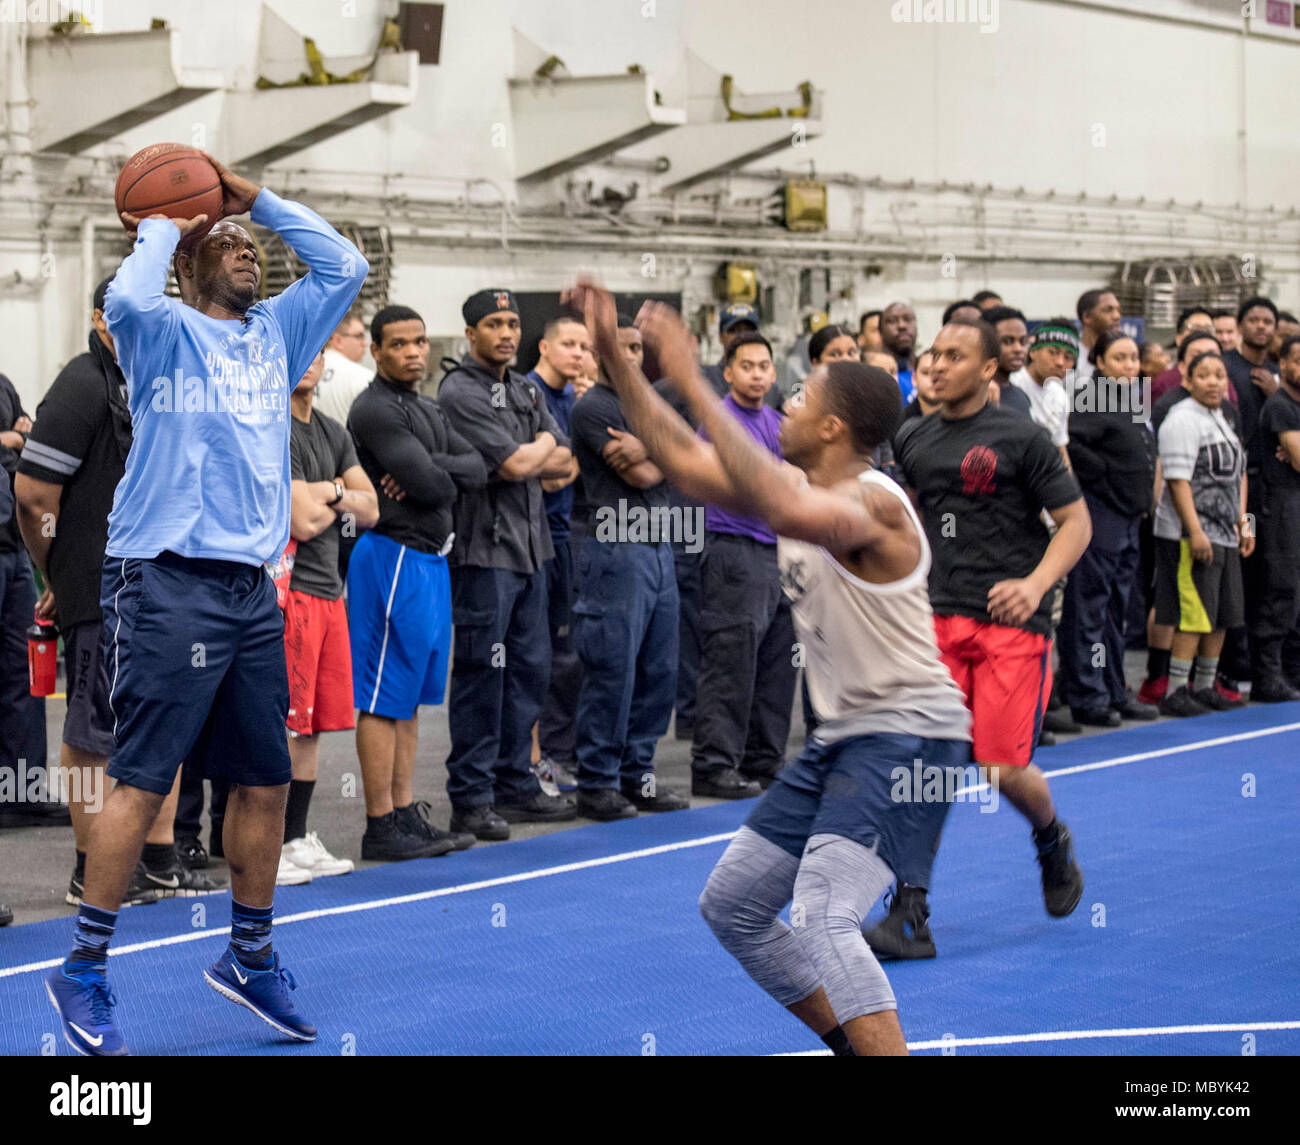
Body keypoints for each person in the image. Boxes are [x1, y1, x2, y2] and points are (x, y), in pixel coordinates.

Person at [566, 278, 972, 1057]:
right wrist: (625, 362)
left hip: (911, 737)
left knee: (823, 913)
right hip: (846, 740)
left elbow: (786, 513)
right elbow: (684, 459)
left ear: (830, 426)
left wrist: (691, 376)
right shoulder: (796, 481)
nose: (780, 407)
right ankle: (852, 1044)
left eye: (796, 400)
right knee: (734, 906)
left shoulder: (874, 501)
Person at [45, 155, 368, 1056]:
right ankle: (81, 968)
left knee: (263, 776)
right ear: (187, 261)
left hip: (250, 587)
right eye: (224, 244)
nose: (247, 253)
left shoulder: (279, 335)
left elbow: (343, 266)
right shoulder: (157, 328)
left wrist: (251, 199)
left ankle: (250, 955)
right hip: (164, 580)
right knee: (142, 776)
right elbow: (130, 297)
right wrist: (167, 221)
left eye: (251, 245)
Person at [882, 317, 1090, 957]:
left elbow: (1076, 523)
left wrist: (1034, 584)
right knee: (929, 767)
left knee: (1001, 769)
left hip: (1010, 625)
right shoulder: (912, 436)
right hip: (939, 620)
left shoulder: (1023, 437)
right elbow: (912, 518)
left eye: (954, 355)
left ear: (989, 369)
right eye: (933, 354)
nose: (937, 365)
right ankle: (909, 910)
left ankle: (1051, 838)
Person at [15, 275, 225, 904]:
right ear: (105, 320)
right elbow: (32, 495)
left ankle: (156, 862)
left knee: (166, 722)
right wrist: (62, 574)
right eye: (139, 310)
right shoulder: (83, 382)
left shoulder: (169, 382)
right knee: (92, 733)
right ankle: (90, 869)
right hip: (103, 590)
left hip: (171, 585)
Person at [346, 304, 485, 858]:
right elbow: (433, 486)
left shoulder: (425, 407)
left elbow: (475, 469)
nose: (413, 352)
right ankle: (380, 825)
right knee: (383, 698)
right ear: (376, 351)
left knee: (410, 698)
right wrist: (432, 471)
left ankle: (404, 813)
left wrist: (431, 467)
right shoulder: (375, 409)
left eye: (419, 342)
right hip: (391, 557)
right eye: (398, 344)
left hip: (430, 561)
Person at [438, 290, 577, 841]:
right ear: (471, 334)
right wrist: (538, 446)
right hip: (484, 553)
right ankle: (471, 798)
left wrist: (531, 454)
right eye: (493, 324)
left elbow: (563, 465)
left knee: (530, 670)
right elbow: (525, 463)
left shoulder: (522, 387)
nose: (506, 333)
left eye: (513, 323)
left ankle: (514, 782)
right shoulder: (459, 390)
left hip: (532, 549)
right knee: (481, 674)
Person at [567, 315, 689, 820]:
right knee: (612, 668)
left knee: (659, 670)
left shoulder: (649, 405)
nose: (633, 357)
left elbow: (684, 457)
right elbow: (643, 473)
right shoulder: (593, 407)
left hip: (660, 546)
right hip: (616, 547)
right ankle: (597, 782)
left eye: (639, 349)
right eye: (622, 349)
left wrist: (661, 446)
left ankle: (638, 776)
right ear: (599, 356)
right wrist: (668, 447)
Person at [280, 350, 379, 880]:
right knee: (280, 724)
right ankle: (265, 842)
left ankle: (294, 837)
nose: (310, 361)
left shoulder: (332, 430)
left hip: (326, 591)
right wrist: (342, 495)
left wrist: (333, 494)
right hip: (285, 591)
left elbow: (372, 507)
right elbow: (298, 518)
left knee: (310, 727)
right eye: (300, 348)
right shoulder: (271, 423)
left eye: (319, 350)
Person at [689, 332, 799, 799]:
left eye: (763, 366)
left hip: (781, 553)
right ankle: (714, 765)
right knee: (731, 662)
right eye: (746, 366)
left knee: (778, 665)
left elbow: (798, 480)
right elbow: (756, 482)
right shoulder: (718, 421)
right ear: (728, 372)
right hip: (735, 551)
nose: (756, 374)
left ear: (773, 373)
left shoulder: (779, 423)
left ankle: (764, 760)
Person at [1057, 331, 1159, 725]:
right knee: (1090, 607)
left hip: (1129, 519)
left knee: (1118, 609)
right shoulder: (1089, 397)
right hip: (1100, 515)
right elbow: (1071, 448)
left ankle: (1115, 688)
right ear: (1099, 362)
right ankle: (1087, 694)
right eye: (1119, 358)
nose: (1129, 366)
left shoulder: (1132, 399)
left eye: (1134, 358)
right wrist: (1109, 479)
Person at [1139, 331, 1243, 710]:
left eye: (1220, 375)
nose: (1214, 382)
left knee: (1222, 614)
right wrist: (1195, 530)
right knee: (1192, 612)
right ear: (1188, 379)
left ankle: (1204, 685)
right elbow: (1177, 480)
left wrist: (1241, 523)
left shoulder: (1223, 417)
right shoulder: (1181, 419)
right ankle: (1175, 689)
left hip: (1225, 531)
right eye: (1204, 375)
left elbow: (1238, 476)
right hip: (1189, 534)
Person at [530, 315, 587, 792]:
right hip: (533, 539)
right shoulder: (529, 393)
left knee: (569, 654)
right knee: (537, 654)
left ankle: (561, 752)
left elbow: (563, 466)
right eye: (568, 343)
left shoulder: (576, 399)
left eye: (584, 346)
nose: (578, 353)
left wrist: (565, 460)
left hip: (568, 537)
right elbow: (547, 472)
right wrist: (567, 460)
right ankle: (537, 758)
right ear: (545, 347)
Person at [0, 368, 56, 831]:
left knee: (25, 671)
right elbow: (18, 441)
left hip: (12, 547)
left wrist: (17, 439)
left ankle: (23, 791)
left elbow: (28, 436)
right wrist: (11, 441)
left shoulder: (3, 383)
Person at [1250, 335, 1300, 701]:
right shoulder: (1280, 406)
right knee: (1279, 588)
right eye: (1296, 360)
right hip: (1279, 506)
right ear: (1281, 364)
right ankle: (1267, 676)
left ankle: (1293, 671)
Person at [1011, 318, 1078, 467]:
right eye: (1053, 352)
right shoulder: (1012, 383)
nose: (1060, 362)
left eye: (1068, 357)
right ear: (1033, 352)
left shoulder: (1060, 396)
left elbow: (1060, 448)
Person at [702, 303, 783, 411]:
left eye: (749, 330)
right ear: (721, 336)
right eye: (735, 330)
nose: (742, 335)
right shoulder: (706, 381)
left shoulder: (769, 389)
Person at [316, 308, 373, 427]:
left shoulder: (303, 374)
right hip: (346, 444)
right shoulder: (363, 377)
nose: (365, 343)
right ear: (337, 340)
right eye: (359, 336)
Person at [1151, 308, 1222, 402]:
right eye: (1195, 329)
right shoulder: (1160, 383)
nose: (1202, 335)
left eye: (1208, 330)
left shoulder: (1223, 383)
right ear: (1179, 339)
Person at [982, 305, 1034, 419]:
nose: (1018, 349)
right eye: (1007, 341)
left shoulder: (1021, 396)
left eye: (1023, 341)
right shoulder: (975, 396)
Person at [1074, 289, 1123, 381]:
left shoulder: (1124, 356)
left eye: (1118, 310)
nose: (1117, 316)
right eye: (1108, 310)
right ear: (1087, 317)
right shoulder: (1070, 357)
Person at [878, 302, 919, 403]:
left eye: (908, 319)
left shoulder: (929, 371)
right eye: (892, 321)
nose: (902, 326)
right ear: (880, 331)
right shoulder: (874, 374)